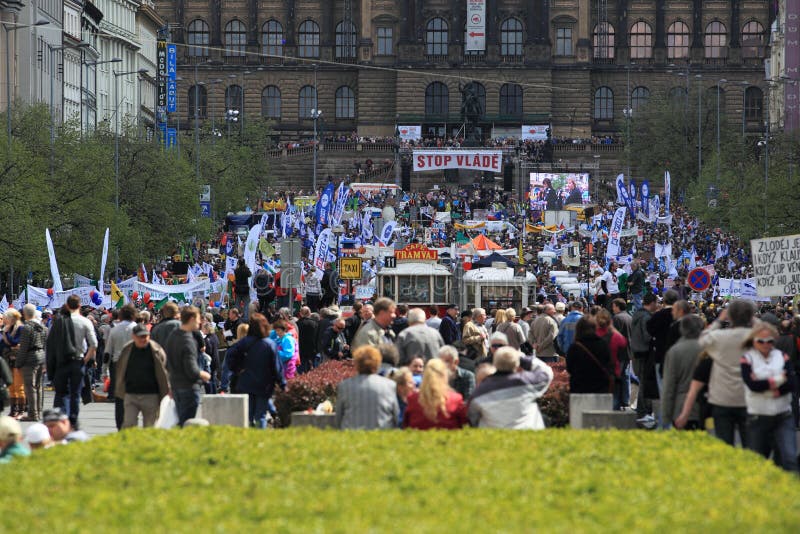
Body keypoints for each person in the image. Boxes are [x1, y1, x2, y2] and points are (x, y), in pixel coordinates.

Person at [740, 321, 798, 472]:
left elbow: (791, 383)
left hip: (783, 415)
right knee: (757, 460)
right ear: (753, 340)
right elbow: (752, 385)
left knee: (789, 458)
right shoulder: (747, 358)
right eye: (761, 341)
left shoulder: (781, 356)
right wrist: (778, 380)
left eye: (770, 341)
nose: (766, 344)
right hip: (758, 417)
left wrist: (766, 386)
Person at [699, 299, 755, 447]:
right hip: (749, 399)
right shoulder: (757, 338)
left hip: (722, 399)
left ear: (729, 316)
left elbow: (701, 341)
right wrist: (754, 319)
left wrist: (718, 321)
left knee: (725, 448)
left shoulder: (719, 337)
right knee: (751, 448)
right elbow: (773, 335)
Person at [467, 347, 554, 429]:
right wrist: (522, 358)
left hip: (494, 439)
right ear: (517, 364)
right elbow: (546, 371)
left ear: (495, 363)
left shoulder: (480, 391)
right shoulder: (527, 381)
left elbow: (472, 418)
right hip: (528, 438)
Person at [225, 313, 285, 429]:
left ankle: (249, 435)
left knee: (248, 414)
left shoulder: (243, 343)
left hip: (245, 382)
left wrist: (237, 369)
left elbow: (230, 356)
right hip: (264, 384)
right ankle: (259, 437)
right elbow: (276, 367)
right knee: (260, 415)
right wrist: (282, 384)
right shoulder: (269, 344)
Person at [46, 296, 97, 428]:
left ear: (67, 306)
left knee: (61, 393)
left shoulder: (59, 321)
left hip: (61, 362)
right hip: (78, 361)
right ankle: (73, 422)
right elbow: (94, 344)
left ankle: (60, 420)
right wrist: (86, 360)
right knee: (75, 394)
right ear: (79, 305)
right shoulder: (85, 322)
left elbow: (51, 343)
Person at [115, 324, 170, 429]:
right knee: (129, 425)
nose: (143, 339)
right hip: (131, 394)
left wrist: (167, 389)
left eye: (146, 336)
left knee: (150, 427)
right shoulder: (127, 349)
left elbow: (165, 369)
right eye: (140, 337)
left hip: (151, 395)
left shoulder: (156, 350)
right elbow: (120, 368)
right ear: (133, 336)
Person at [164, 306, 211, 427]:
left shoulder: (172, 336)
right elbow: (191, 369)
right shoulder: (187, 341)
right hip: (188, 388)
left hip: (175, 386)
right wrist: (203, 374)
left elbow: (167, 362)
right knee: (186, 425)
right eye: (198, 319)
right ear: (191, 319)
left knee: (180, 423)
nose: (200, 322)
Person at [335, 346, 399, 430]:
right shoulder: (390, 385)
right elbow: (396, 417)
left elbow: (338, 418)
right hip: (382, 437)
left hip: (351, 437)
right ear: (378, 363)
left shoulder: (344, 386)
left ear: (356, 364)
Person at [661, 315, 705, 429]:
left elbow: (669, 385)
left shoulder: (675, 351)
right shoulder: (707, 349)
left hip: (680, 407)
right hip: (705, 406)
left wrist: (666, 415)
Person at [403, 359, 467, 430]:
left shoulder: (412, 399)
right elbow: (465, 426)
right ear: (445, 376)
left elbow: (406, 426)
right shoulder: (456, 399)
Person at [103, 304, 137, 428]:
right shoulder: (137, 329)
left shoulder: (114, 330)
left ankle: (120, 424)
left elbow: (107, 352)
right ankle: (132, 421)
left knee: (119, 396)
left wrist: (104, 370)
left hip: (117, 364)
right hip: (134, 364)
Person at [566, 316, 614, 394]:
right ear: (595, 328)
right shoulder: (603, 344)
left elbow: (569, 368)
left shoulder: (575, 347)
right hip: (601, 389)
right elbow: (609, 365)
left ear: (578, 329)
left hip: (579, 390)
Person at [18, 304, 47, 422]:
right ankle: (38, 411)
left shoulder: (27, 327)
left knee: (30, 387)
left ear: (24, 314)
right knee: (39, 386)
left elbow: (24, 347)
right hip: (41, 356)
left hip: (30, 358)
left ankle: (33, 414)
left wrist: (18, 362)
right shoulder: (42, 327)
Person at [631, 293, 657, 421]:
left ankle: (642, 410)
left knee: (642, 381)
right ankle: (642, 411)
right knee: (645, 383)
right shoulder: (646, 317)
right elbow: (648, 336)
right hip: (644, 352)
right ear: (652, 303)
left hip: (636, 352)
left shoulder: (636, 314)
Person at [595, 308, 628, 409]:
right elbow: (623, 343)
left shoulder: (593, 334)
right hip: (613, 372)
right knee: (614, 401)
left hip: (597, 372)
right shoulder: (615, 336)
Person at [1, 309, 24, 418]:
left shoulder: (20, 328)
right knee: (11, 386)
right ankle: (13, 409)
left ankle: (21, 410)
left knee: (19, 386)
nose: (4, 321)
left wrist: (6, 334)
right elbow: (5, 344)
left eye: (6, 318)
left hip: (17, 360)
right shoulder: (8, 328)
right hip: (8, 359)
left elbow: (14, 342)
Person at [296, 306, 319, 372]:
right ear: (309, 313)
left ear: (300, 313)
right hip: (312, 350)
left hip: (300, 350)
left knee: (300, 371)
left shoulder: (297, 324)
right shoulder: (315, 323)